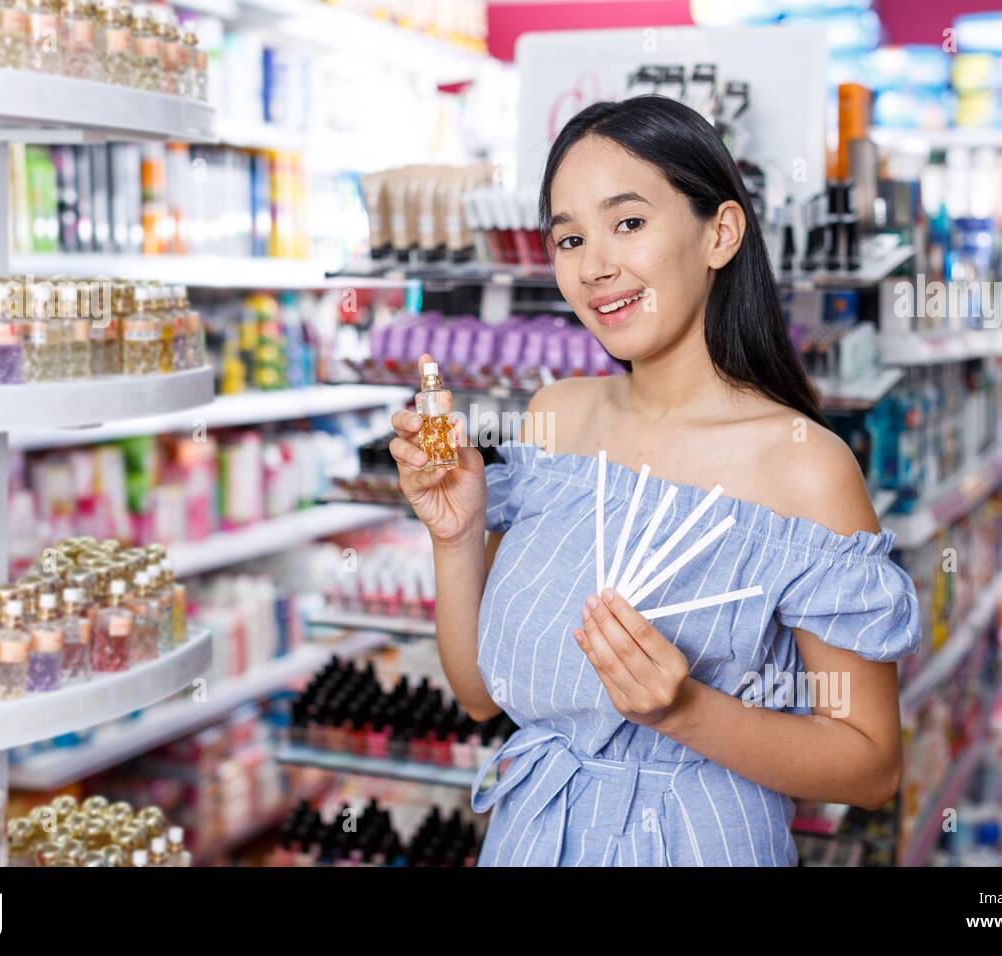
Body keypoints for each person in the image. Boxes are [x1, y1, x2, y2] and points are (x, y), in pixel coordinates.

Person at [388, 95, 921, 866]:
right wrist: (457, 533)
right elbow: (481, 693)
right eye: (568, 237)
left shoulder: (802, 464)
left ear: (720, 232)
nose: (595, 265)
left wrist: (685, 710)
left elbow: (873, 767)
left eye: (628, 222)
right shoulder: (555, 421)